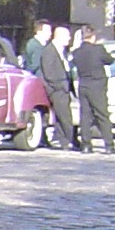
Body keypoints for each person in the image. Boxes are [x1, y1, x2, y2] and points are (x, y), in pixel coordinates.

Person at [73, 24, 115, 152]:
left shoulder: (76, 52)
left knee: (85, 116)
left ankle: (86, 144)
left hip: (83, 85)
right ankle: (109, 145)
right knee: (102, 114)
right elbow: (109, 60)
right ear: (93, 36)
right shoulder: (98, 49)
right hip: (97, 85)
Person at [36, 22, 76, 152]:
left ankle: (63, 140)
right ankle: (70, 140)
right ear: (59, 36)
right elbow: (49, 72)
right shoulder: (49, 51)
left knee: (62, 115)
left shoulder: (62, 51)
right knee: (65, 116)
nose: (70, 39)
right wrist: (59, 86)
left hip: (64, 88)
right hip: (57, 89)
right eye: (68, 36)